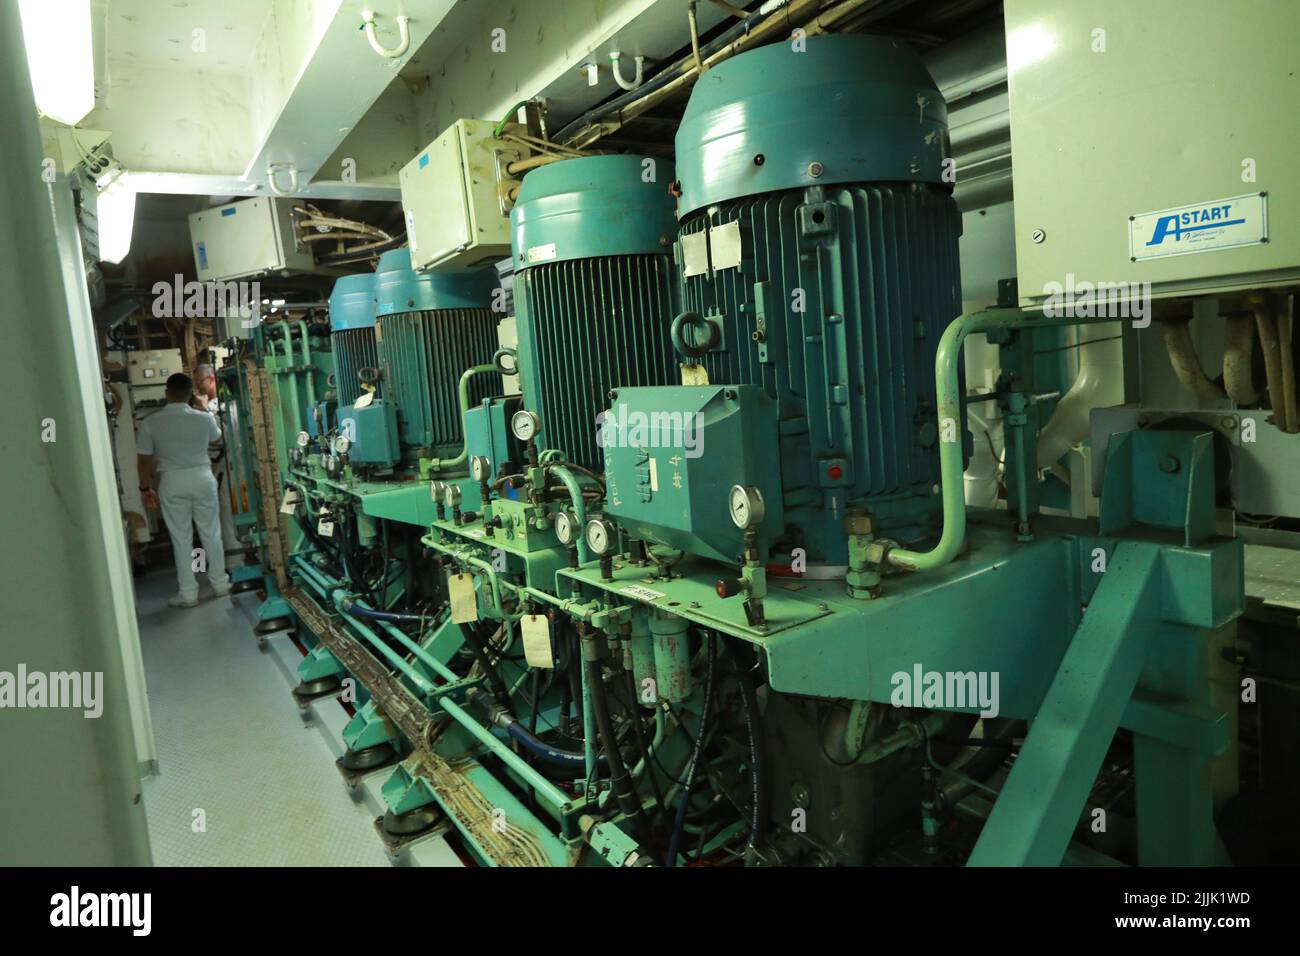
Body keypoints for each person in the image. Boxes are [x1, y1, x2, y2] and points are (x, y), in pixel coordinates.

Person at [137, 372, 230, 608]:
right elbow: (217, 438)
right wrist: (202, 408)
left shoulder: (151, 422)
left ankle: (188, 593)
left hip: (172, 481)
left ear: (167, 393)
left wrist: (145, 487)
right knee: (211, 532)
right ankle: (220, 584)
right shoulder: (203, 419)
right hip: (202, 477)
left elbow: (144, 460)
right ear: (191, 394)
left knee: (181, 538)